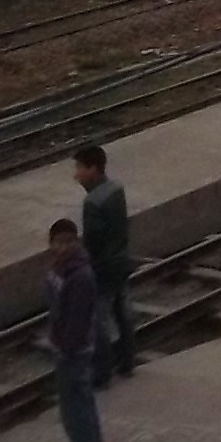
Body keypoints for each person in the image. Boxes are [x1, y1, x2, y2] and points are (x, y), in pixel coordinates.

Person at [45, 218, 107, 442]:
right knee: (83, 398)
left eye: (68, 242)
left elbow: (77, 319)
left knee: (72, 407)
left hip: (73, 349)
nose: (63, 247)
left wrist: (65, 348)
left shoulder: (80, 276)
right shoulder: (60, 268)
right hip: (70, 345)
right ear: (51, 244)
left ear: (76, 242)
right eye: (58, 242)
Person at [73, 144, 135, 387]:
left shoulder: (92, 202)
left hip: (103, 268)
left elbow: (93, 241)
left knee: (98, 320)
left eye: (80, 168)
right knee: (123, 313)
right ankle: (127, 362)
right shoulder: (116, 188)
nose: (76, 174)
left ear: (93, 169)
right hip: (121, 260)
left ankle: (102, 373)